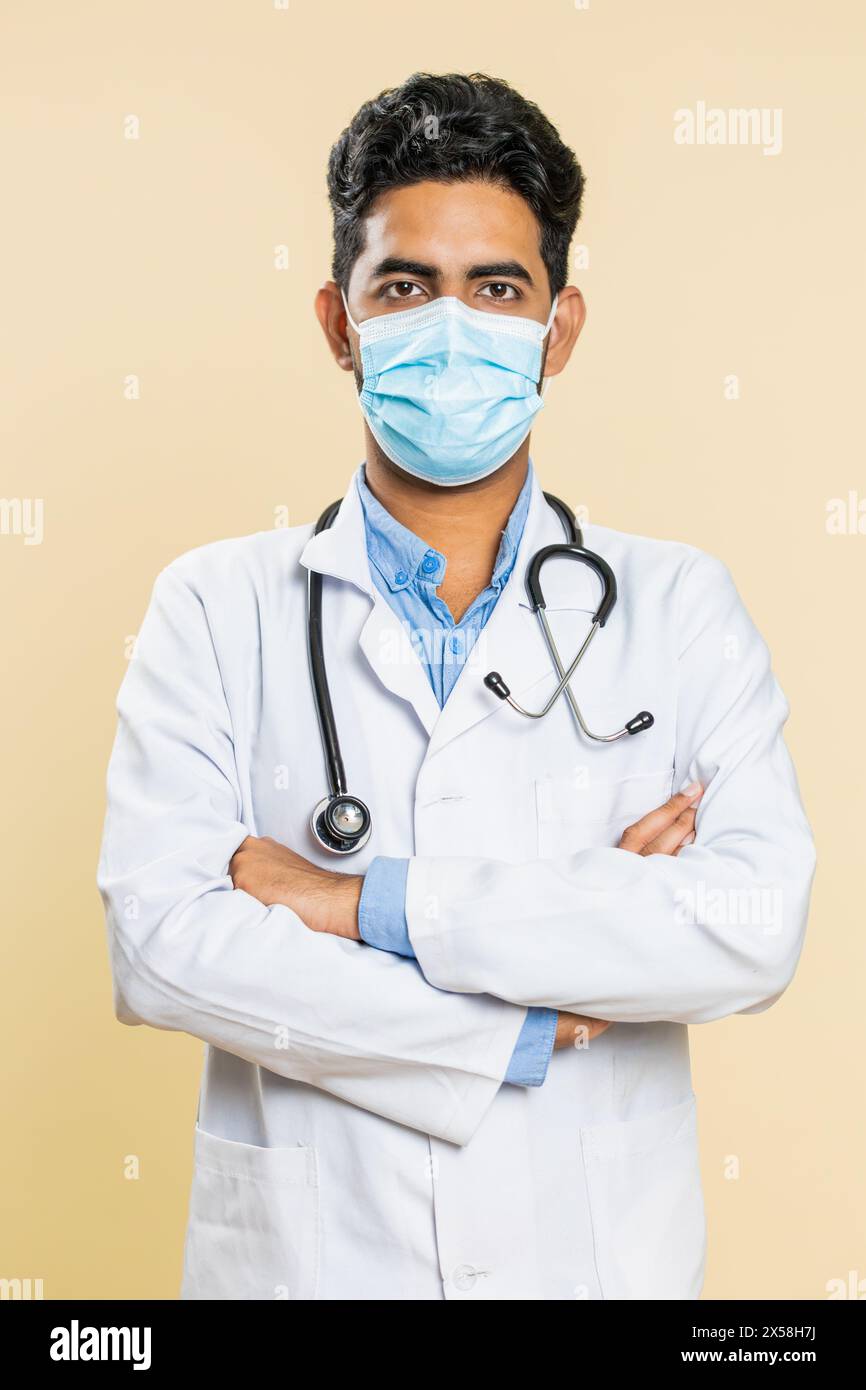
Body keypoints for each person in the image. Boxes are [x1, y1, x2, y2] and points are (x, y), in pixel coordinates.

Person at [97, 72, 815, 1301]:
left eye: (494, 288)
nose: (449, 326)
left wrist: (351, 900)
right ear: (338, 324)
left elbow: (748, 924)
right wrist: (533, 1017)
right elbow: (163, 946)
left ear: (558, 328)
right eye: (402, 286)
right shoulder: (213, 606)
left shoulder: (677, 604)